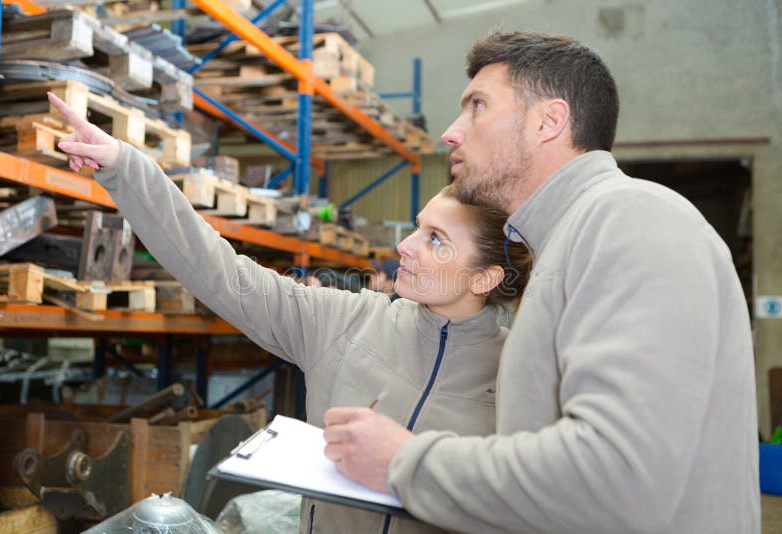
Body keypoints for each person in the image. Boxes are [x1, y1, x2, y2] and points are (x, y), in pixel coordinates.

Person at [322, 31, 760, 533]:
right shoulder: (568, 241)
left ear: (549, 122)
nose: (451, 132)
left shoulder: (630, 218)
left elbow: (616, 484)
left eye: (477, 107)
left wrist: (402, 461)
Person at [46, 91, 531, 534]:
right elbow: (219, 271)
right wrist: (126, 169)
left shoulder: (522, 377)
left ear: (484, 278)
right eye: (416, 228)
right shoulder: (344, 323)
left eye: (435, 240)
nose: (404, 246)